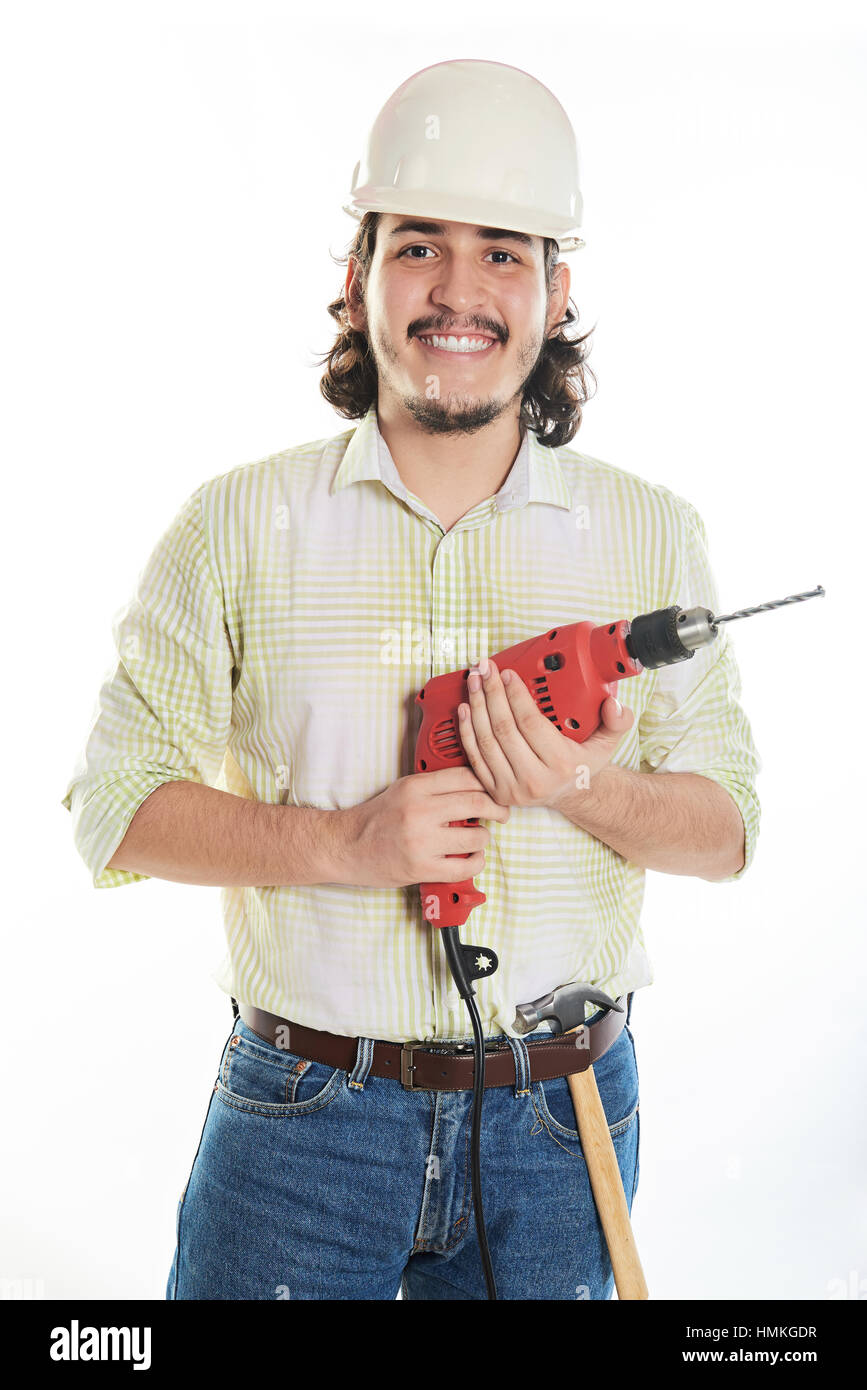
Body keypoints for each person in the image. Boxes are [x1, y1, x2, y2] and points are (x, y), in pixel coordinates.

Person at [60, 59, 761, 1301]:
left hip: (562, 1127)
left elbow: (728, 833)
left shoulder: (655, 534)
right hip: (300, 1125)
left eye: (503, 252)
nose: (459, 290)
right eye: (418, 246)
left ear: (554, 287)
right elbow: (112, 805)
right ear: (358, 276)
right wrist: (345, 841)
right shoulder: (233, 525)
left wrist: (584, 784)